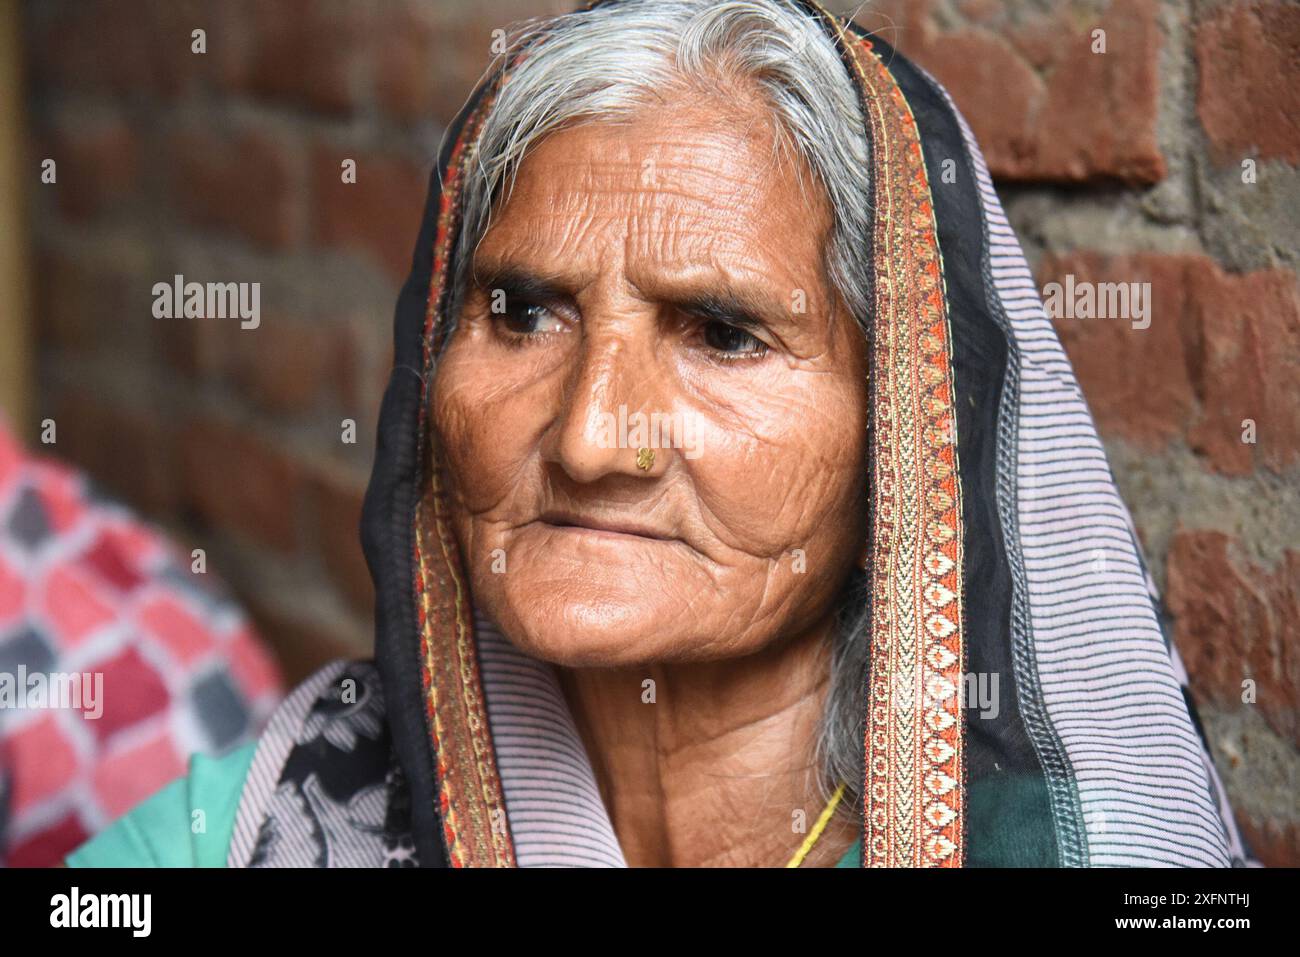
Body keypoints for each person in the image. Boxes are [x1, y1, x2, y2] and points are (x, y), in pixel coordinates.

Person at [69, 0, 1249, 868]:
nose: (588, 440)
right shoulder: (244, 827)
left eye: (722, 333)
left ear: (908, 421)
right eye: (521, 313)